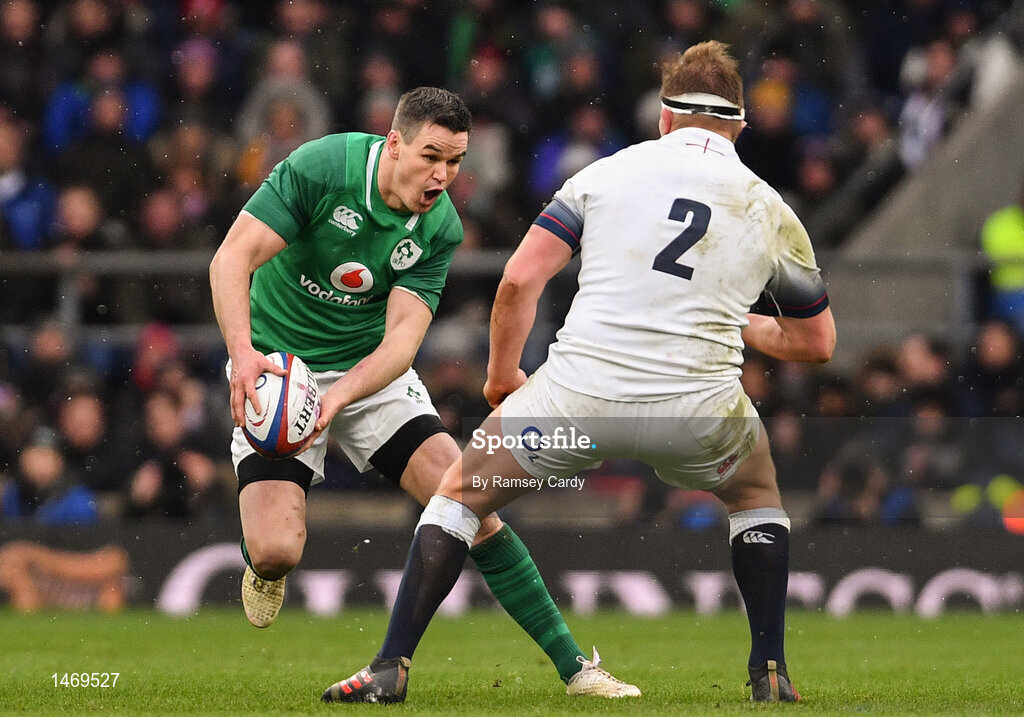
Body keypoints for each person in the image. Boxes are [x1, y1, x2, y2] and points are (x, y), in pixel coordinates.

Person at [328, 43, 836, 704]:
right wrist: (742, 323)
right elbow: (816, 341)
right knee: (756, 493)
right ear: (739, 127)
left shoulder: (606, 174)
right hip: (698, 411)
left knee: (457, 496)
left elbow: (519, 278)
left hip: (580, 397)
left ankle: (390, 666)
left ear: (664, 118)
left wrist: (502, 376)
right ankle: (769, 671)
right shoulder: (771, 208)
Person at [208, 86, 635, 700]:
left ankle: (576, 669)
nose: (442, 176)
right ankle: (262, 564)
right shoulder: (320, 169)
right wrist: (244, 358)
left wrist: (337, 399)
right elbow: (231, 260)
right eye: (431, 156)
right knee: (278, 550)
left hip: (370, 375)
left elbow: (401, 346)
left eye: (455, 162)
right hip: (278, 373)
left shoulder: (439, 227)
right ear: (394, 142)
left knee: (470, 503)